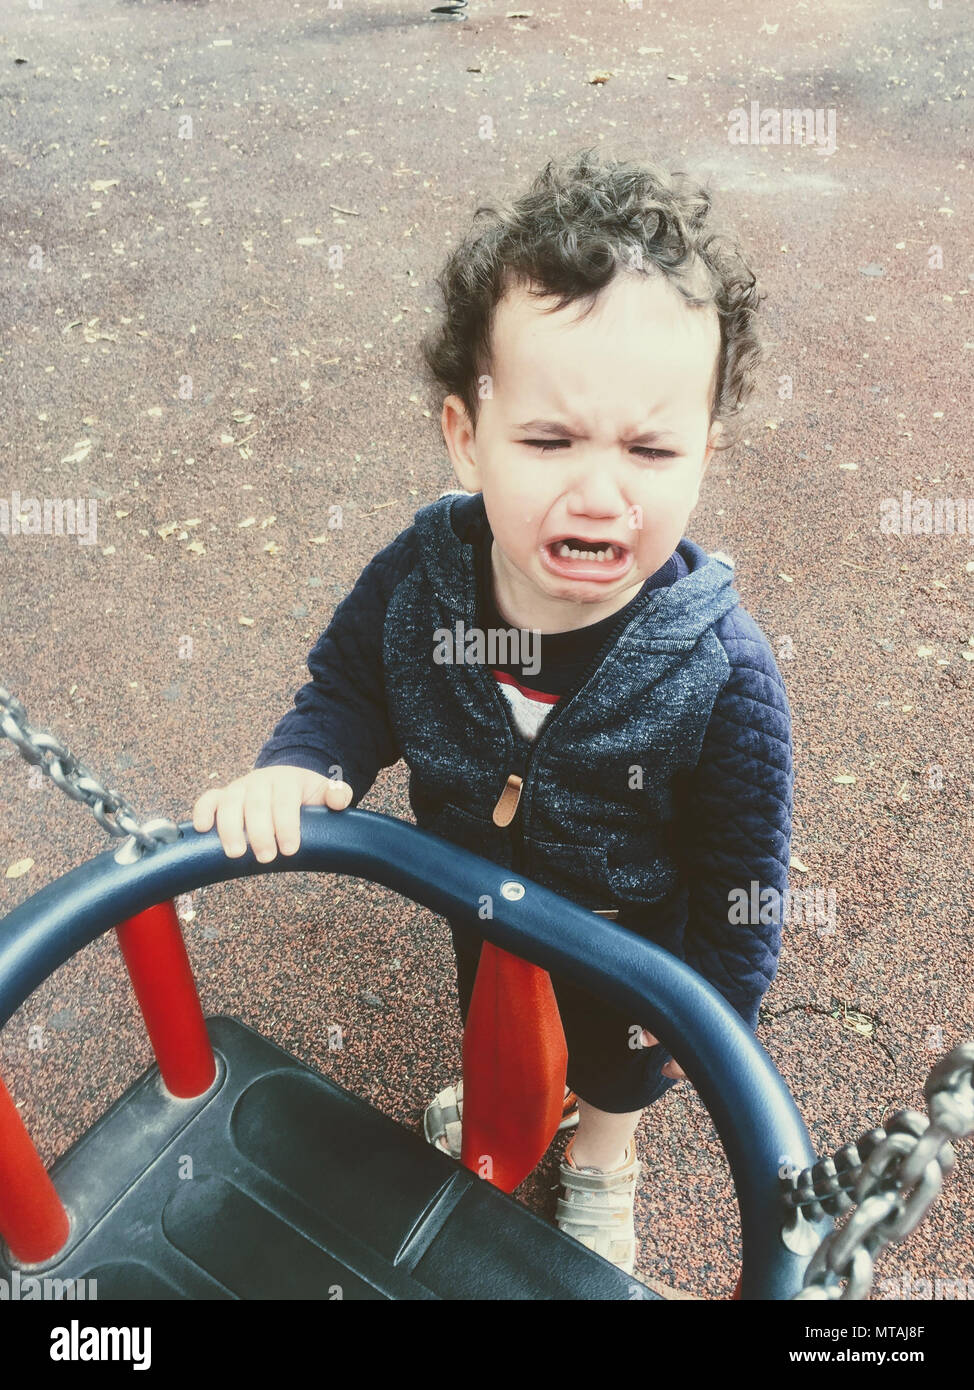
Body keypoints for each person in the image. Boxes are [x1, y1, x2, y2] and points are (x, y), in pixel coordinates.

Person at [192, 148, 792, 1277]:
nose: (602, 490)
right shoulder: (422, 582)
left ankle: (604, 1155)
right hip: (479, 887)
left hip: (632, 935)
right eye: (549, 440)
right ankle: (515, 1090)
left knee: (617, 1057)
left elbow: (742, 875)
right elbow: (348, 686)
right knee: (497, 1002)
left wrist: (706, 1013)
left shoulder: (719, 670)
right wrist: (299, 763)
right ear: (466, 435)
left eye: (651, 449)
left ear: (704, 455)